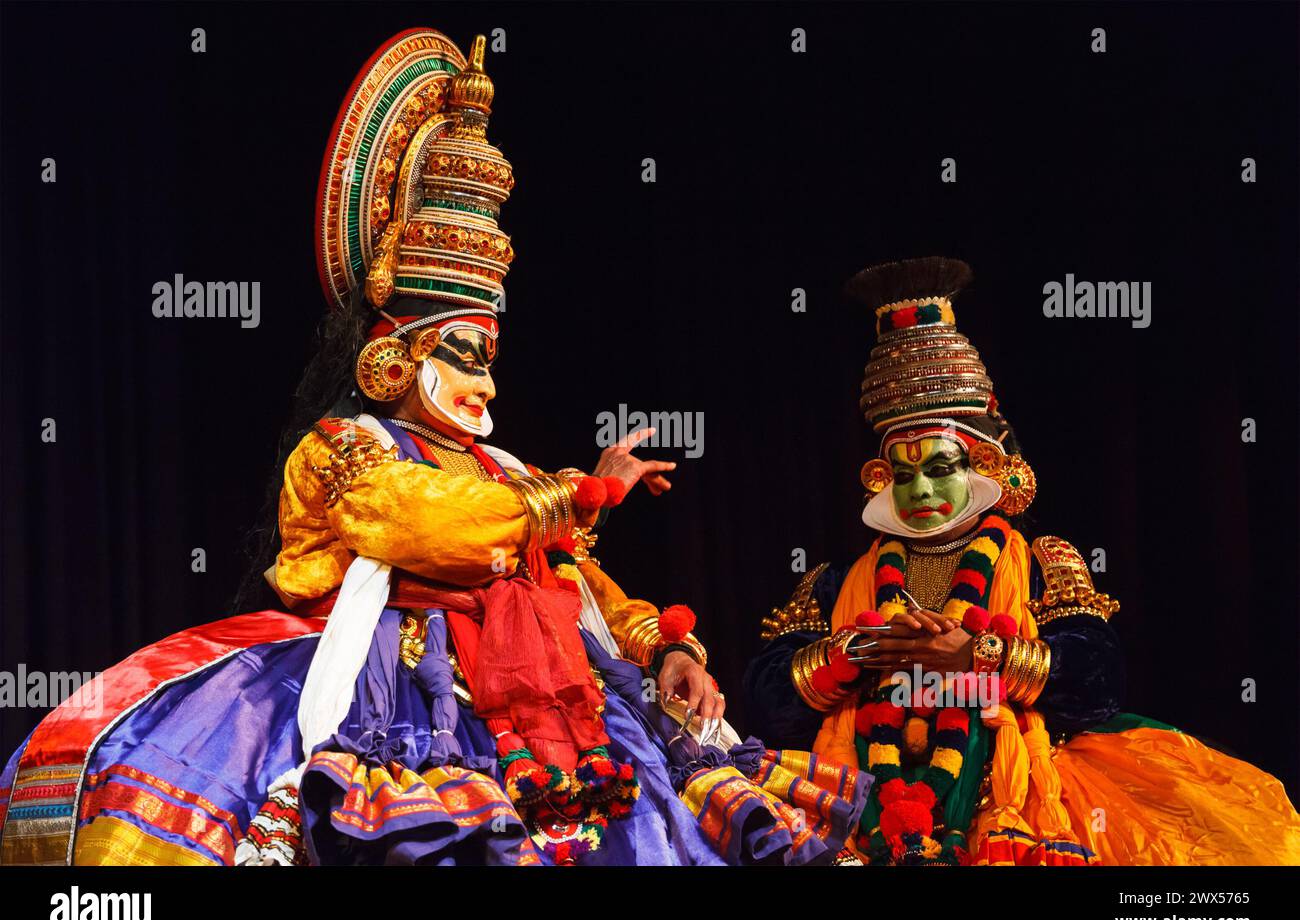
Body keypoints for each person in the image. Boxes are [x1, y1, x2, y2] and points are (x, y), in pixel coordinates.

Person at [0, 28, 864, 866]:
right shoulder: (345, 449)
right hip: (400, 694)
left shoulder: (509, 471)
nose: (487, 385)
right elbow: (423, 525)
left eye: (492, 360)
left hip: (558, 697)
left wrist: (664, 647)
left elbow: (582, 590)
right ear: (391, 357)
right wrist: (578, 494)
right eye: (465, 355)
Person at [744, 256, 1300, 865]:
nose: (921, 492)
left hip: (1017, 794)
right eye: (902, 475)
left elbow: (1097, 683)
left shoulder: (1040, 559)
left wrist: (978, 655)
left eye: (938, 468)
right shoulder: (836, 585)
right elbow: (769, 704)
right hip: (856, 800)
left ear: (981, 466)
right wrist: (853, 654)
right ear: (880, 479)